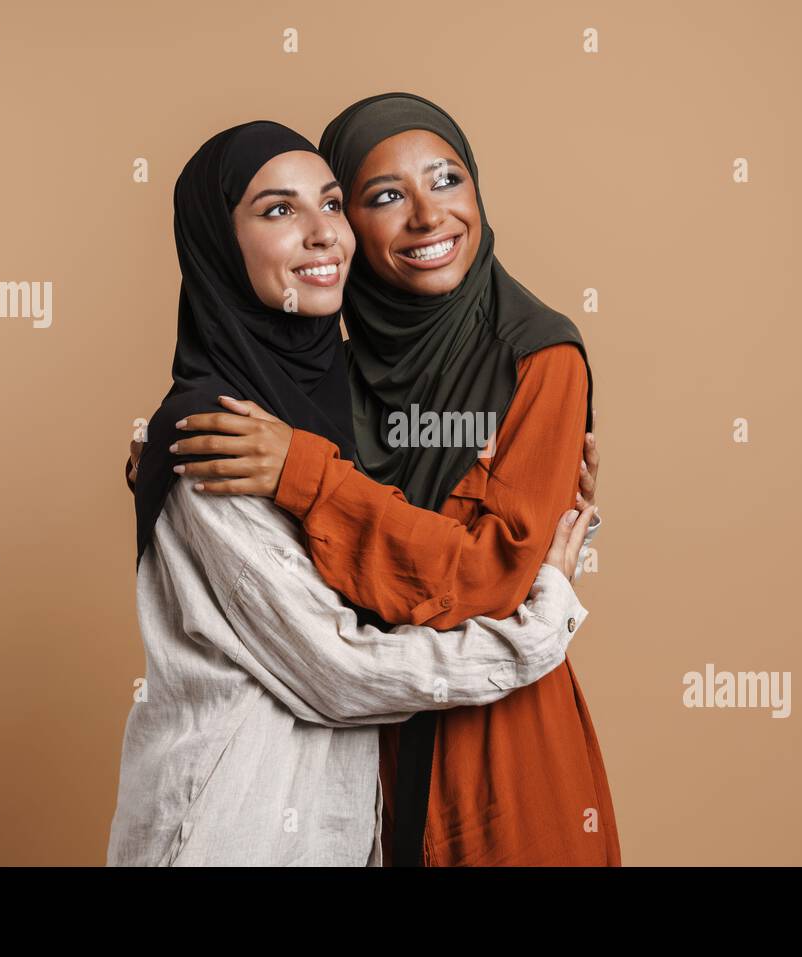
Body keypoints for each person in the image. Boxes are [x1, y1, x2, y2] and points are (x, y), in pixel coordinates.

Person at [129, 95, 619, 866]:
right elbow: (343, 637)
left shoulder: (539, 357)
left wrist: (305, 475)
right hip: (356, 774)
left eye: (449, 179)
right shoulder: (324, 386)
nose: (429, 216)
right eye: (385, 196)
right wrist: (164, 451)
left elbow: (488, 576)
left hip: (499, 751)